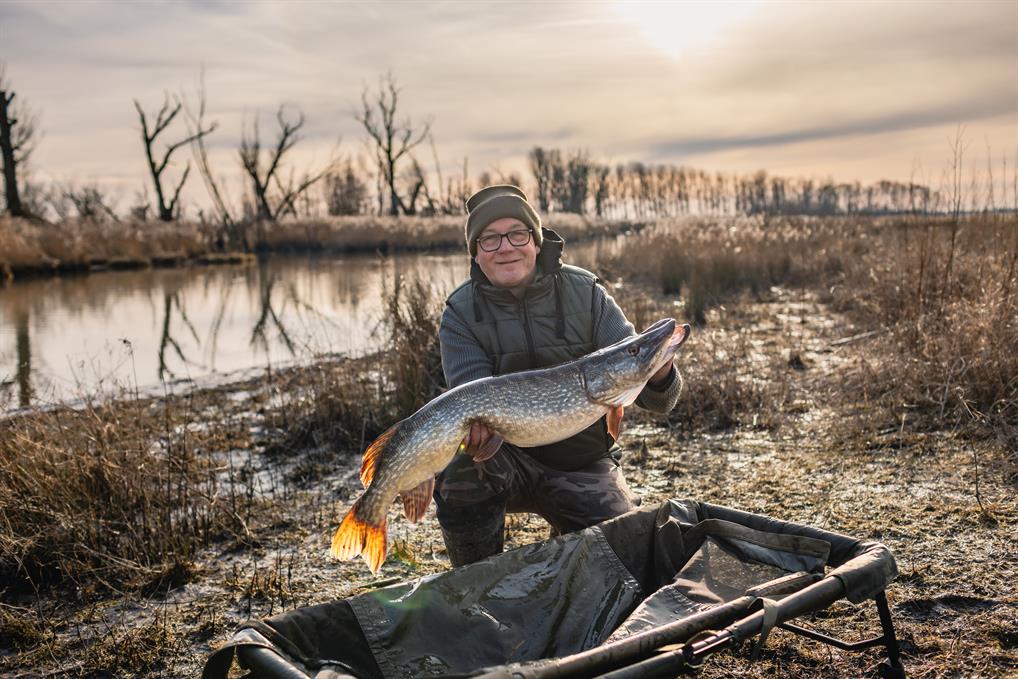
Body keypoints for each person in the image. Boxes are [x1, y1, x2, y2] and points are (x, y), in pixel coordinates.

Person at [435, 184, 683, 566]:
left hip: (582, 463)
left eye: (517, 234)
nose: (505, 247)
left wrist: (660, 370)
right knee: (460, 474)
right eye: (489, 239)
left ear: (536, 241)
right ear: (476, 253)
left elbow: (659, 401)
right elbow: (470, 399)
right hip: (506, 462)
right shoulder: (460, 313)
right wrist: (476, 435)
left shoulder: (586, 293)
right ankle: (475, 581)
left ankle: (571, 526)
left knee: (623, 553)